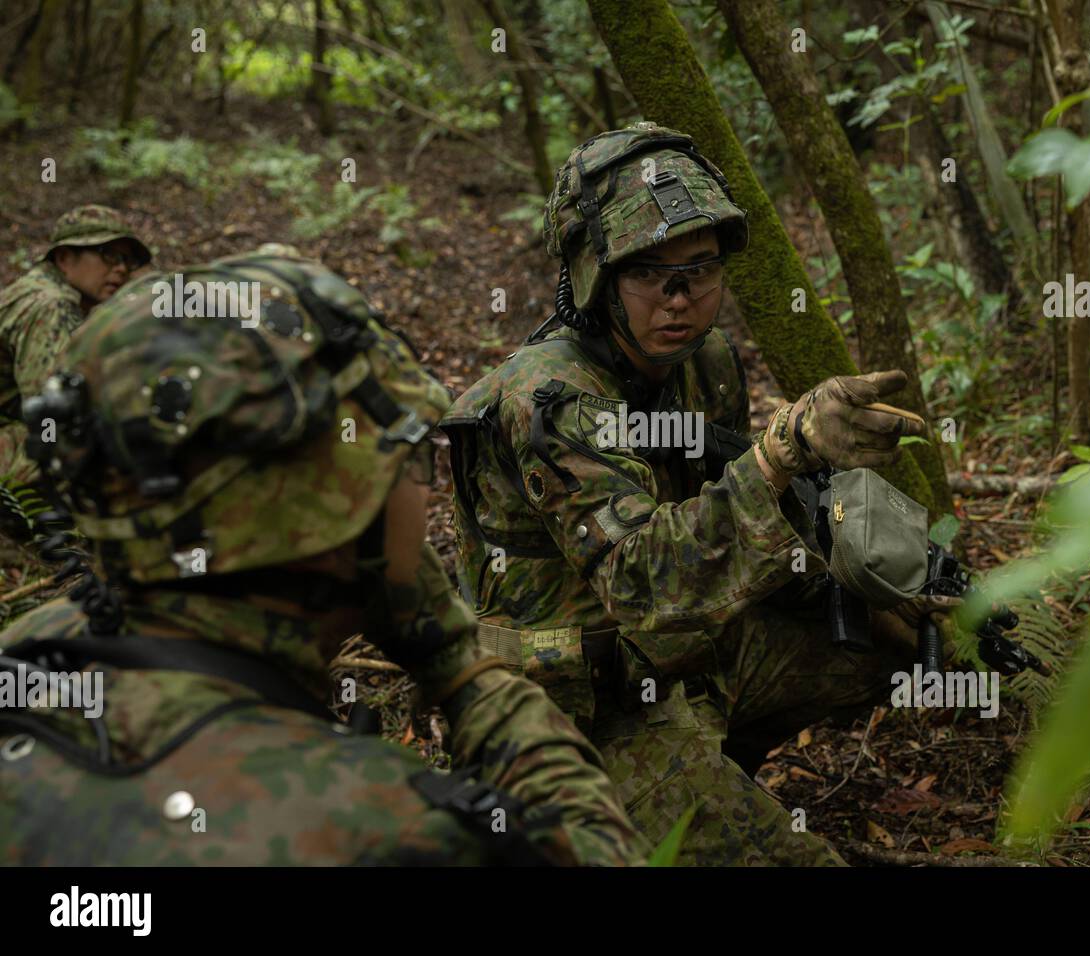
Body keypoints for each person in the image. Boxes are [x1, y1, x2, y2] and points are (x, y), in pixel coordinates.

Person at [0, 251, 645, 866]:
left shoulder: (36, 652)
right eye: (408, 459)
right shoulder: (381, 825)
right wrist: (463, 668)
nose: (424, 488)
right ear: (333, 515)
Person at [441, 123, 958, 866]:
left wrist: (879, 588)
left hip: (671, 663)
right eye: (651, 274)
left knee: (877, 644)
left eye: (702, 270)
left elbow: (724, 524)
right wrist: (782, 450)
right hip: (564, 718)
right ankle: (619, 811)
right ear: (596, 275)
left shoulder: (699, 363)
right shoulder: (549, 399)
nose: (680, 301)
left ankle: (707, 774)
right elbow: (643, 578)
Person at [0, 205, 149, 531]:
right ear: (65, 259)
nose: (121, 270)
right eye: (109, 255)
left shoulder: (48, 295)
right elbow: (55, 415)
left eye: (128, 260)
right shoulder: (49, 306)